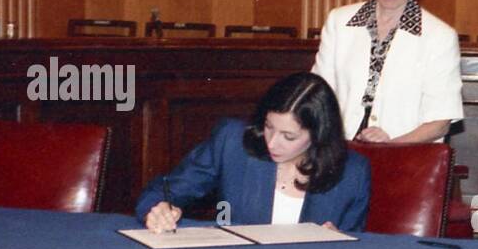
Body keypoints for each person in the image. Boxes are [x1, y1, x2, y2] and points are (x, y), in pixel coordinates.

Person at [136, 72, 369, 233]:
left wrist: (339, 243)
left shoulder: (352, 172)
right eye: (268, 127)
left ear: (318, 135)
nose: (273, 143)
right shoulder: (232, 142)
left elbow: (354, 244)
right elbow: (163, 190)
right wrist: (156, 210)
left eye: (289, 136)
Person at [312, 0, 463, 143]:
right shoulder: (339, 22)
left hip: (405, 158)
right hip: (340, 152)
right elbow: (318, 95)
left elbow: (440, 123)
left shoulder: (439, 37)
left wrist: (390, 146)